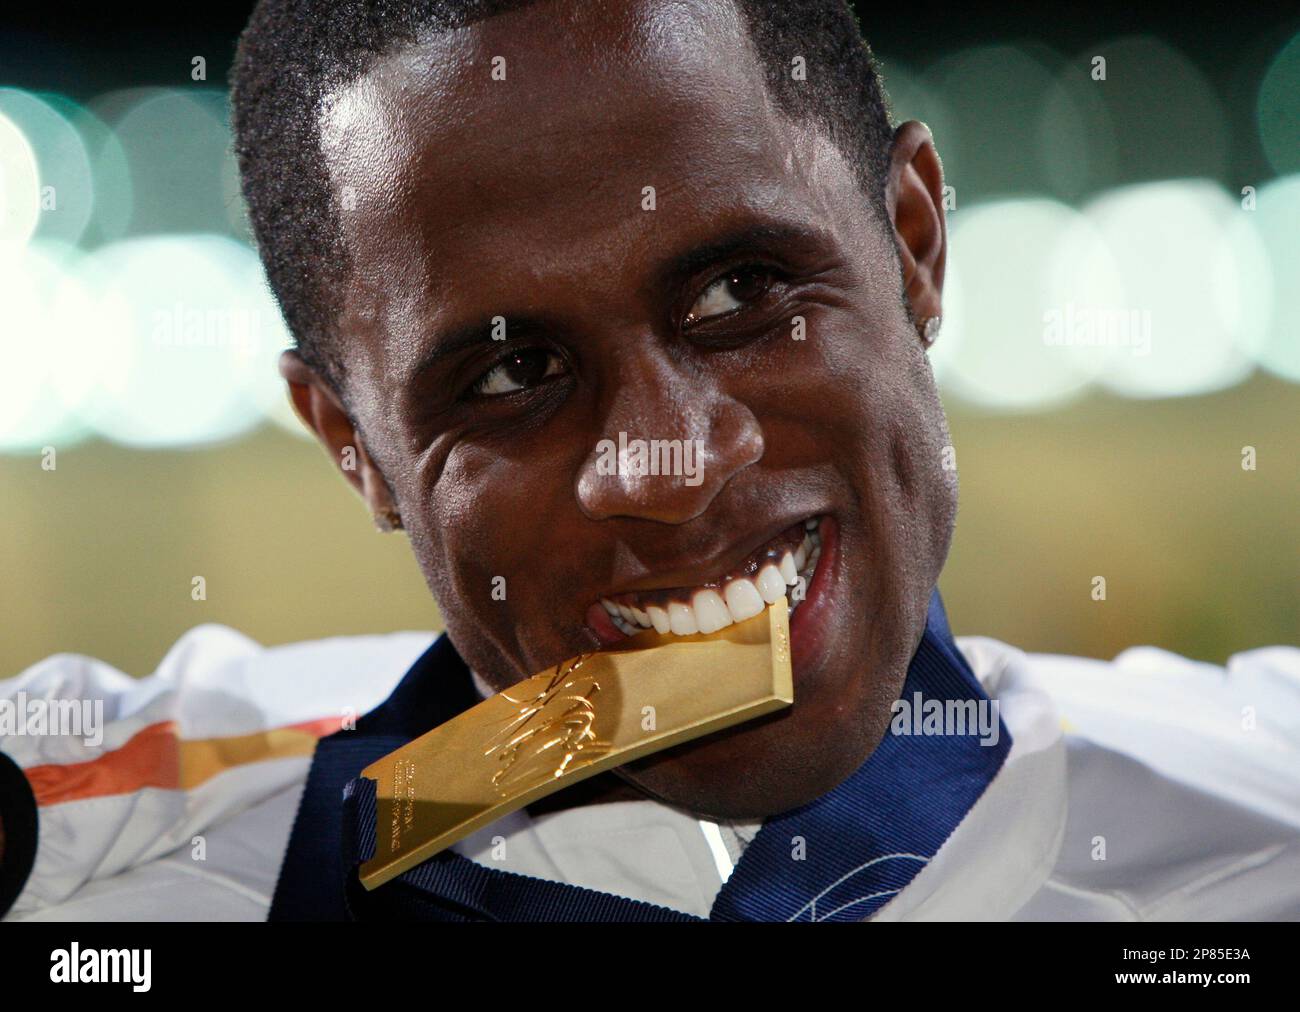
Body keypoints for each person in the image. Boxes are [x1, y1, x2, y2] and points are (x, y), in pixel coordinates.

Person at [2, 0, 1297, 921]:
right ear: (356, 449)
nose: (672, 461)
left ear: (914, 243)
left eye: (743, 292)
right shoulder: (121, 842)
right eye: (511, 376)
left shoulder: (1263, 804)